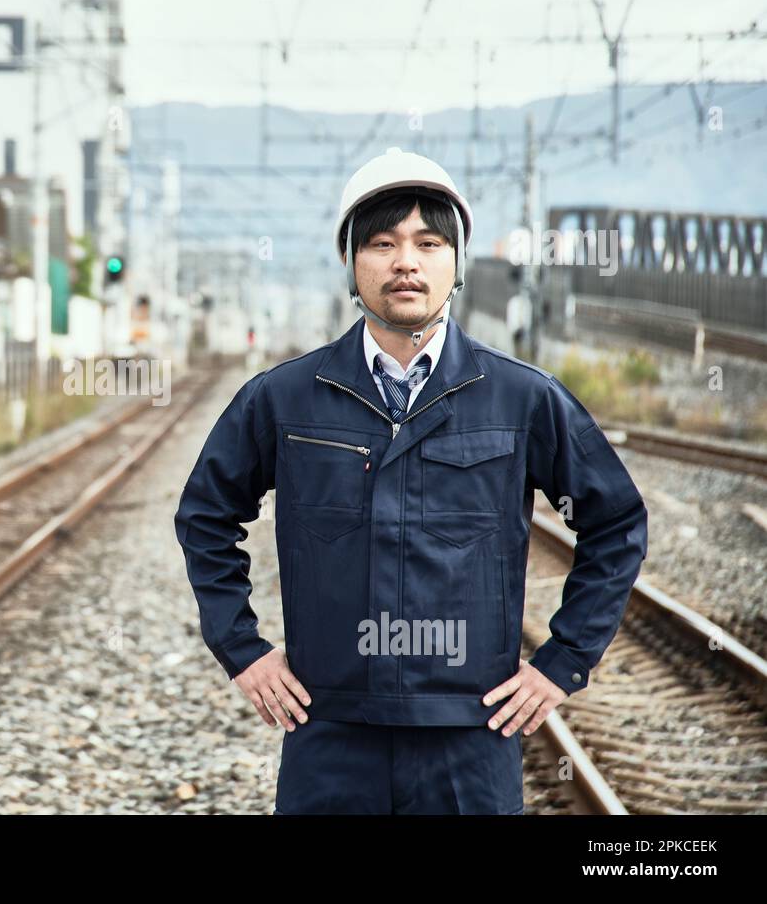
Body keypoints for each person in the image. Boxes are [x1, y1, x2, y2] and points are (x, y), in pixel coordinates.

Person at [173, 147, 648, 814]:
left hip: (471, 737)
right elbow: (204, 516)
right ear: (350, 264)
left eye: (429, 242)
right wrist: (242, 648)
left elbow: (617, 522)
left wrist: (562, 662)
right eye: (382, 243)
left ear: (455, 266)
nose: (406, 261)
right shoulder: (285, 399)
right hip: (330, 734)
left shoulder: (519, 397)